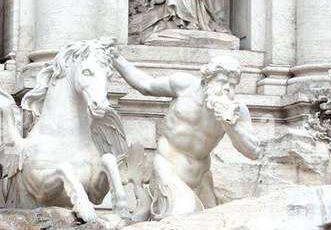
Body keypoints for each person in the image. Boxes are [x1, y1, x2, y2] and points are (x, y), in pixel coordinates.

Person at [109, 46, 260, 217]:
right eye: (222, 81)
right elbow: (146, 85)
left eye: (232, 85)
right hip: (167, 168)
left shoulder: (237, 112)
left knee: (209, 226)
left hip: (201, 178)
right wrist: (117, 59)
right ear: (206, 80)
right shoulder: (184, 86)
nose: (227, 89)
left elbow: (254, 151)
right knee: (186, 214)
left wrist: (231, 126)